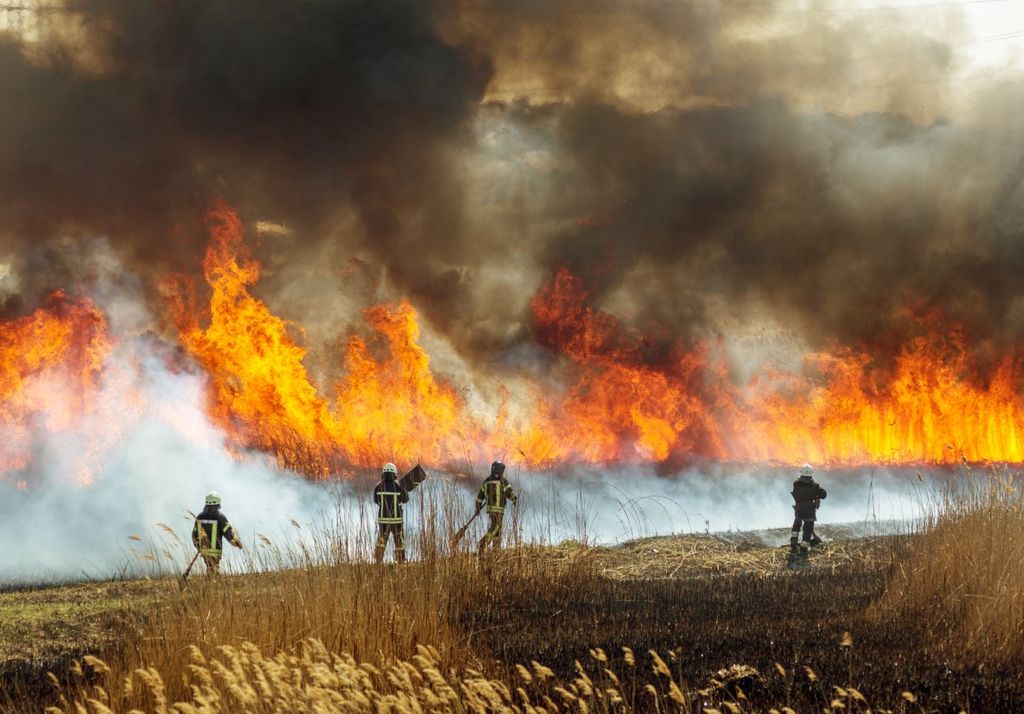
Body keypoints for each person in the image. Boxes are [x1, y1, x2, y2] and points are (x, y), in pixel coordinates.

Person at [192, 491, 242, 574]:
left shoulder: (200, 516)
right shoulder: (220, 516)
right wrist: (236, 542)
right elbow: (228, 532)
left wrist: (198, 546)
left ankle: (210, 581)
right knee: (214, 568)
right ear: (218, 503)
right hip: (216, 550)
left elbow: (194, 534)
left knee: (209, 567)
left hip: (204, 549)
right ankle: (213, 583)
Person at [476, 460, 518, 556]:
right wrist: (514, 498)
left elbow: (479, 497)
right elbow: (509, 494)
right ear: (501, 471)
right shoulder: (503, 481)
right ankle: (483, 543)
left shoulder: (486, 481)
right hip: (499, 510)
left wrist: (478, 507)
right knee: (496, 527)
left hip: (491, 509)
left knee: (497, 529)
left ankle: (496, 550)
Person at [374, 462, 409, 564]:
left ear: (383, 473)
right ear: (395, 473)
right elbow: (405, 499)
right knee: (399, 539)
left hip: (383, 520)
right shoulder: (399, 486)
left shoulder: (378, 486)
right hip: (396, 520)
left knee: (381, 539)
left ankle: (378, 559)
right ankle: (400, 560)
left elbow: (376, 500)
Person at [790, 463, 827, 554]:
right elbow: (824, 495)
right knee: (808, 528)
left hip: (798, 509)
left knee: (797, 524)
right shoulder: (815, 485)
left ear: (801, 473)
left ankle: (793, 541)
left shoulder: (796, 484)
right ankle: (804, 548)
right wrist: (817, 494)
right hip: (809, 511)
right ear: (811, 474)